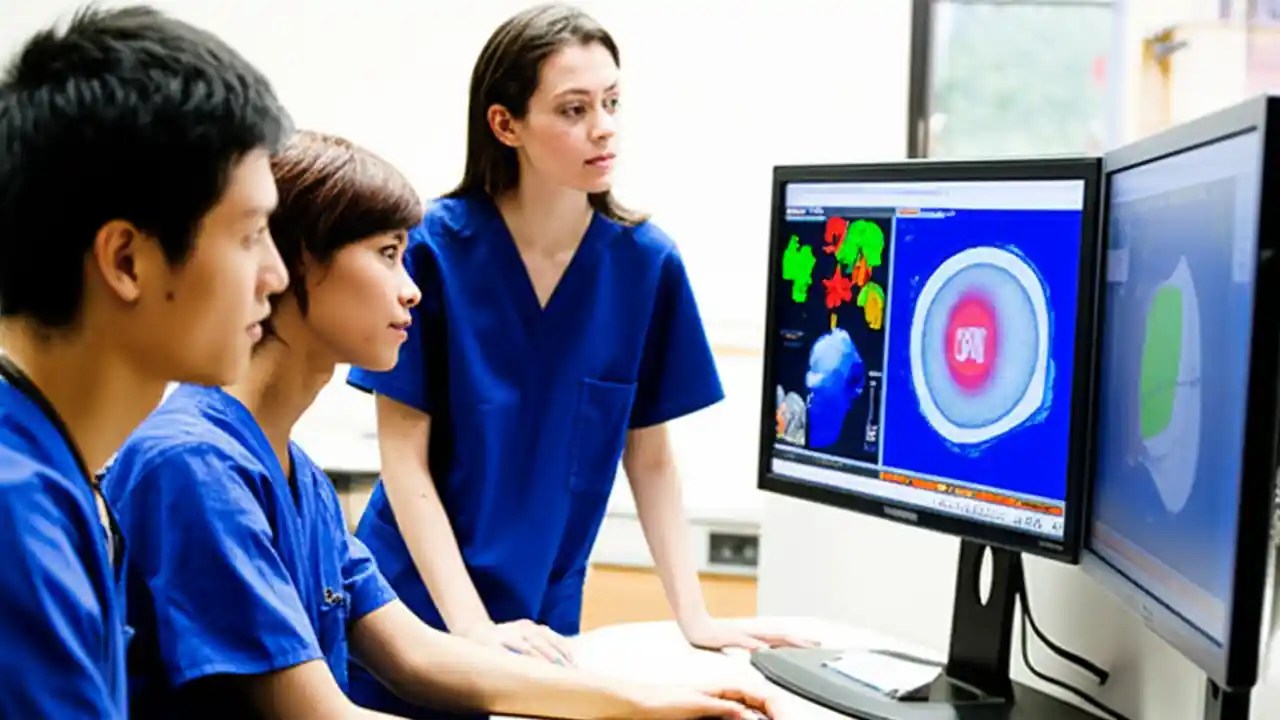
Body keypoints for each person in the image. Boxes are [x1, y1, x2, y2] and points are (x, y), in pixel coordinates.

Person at [103, 130, 777, 719]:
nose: (412, 288)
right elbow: (322, 715)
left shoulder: (294, 476)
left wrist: (639, 703)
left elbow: (416, 653)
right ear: (294, 262)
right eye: (389, 253)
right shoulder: (193, 466)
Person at [345, 4, 810, 716]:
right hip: (412, 618)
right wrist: (471, 628)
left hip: (542, 629)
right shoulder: (433, 250)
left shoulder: (645, 266)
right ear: (506, 126)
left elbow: (649, 457)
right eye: (574, 108)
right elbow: (403, 461)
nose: (605, 127)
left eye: (612, 102)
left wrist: (697, 617)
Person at [0, 5, 291, 717]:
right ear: (127, 259)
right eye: (250, 234)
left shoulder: (60, 475)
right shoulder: (15, 512)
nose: (275, 275)